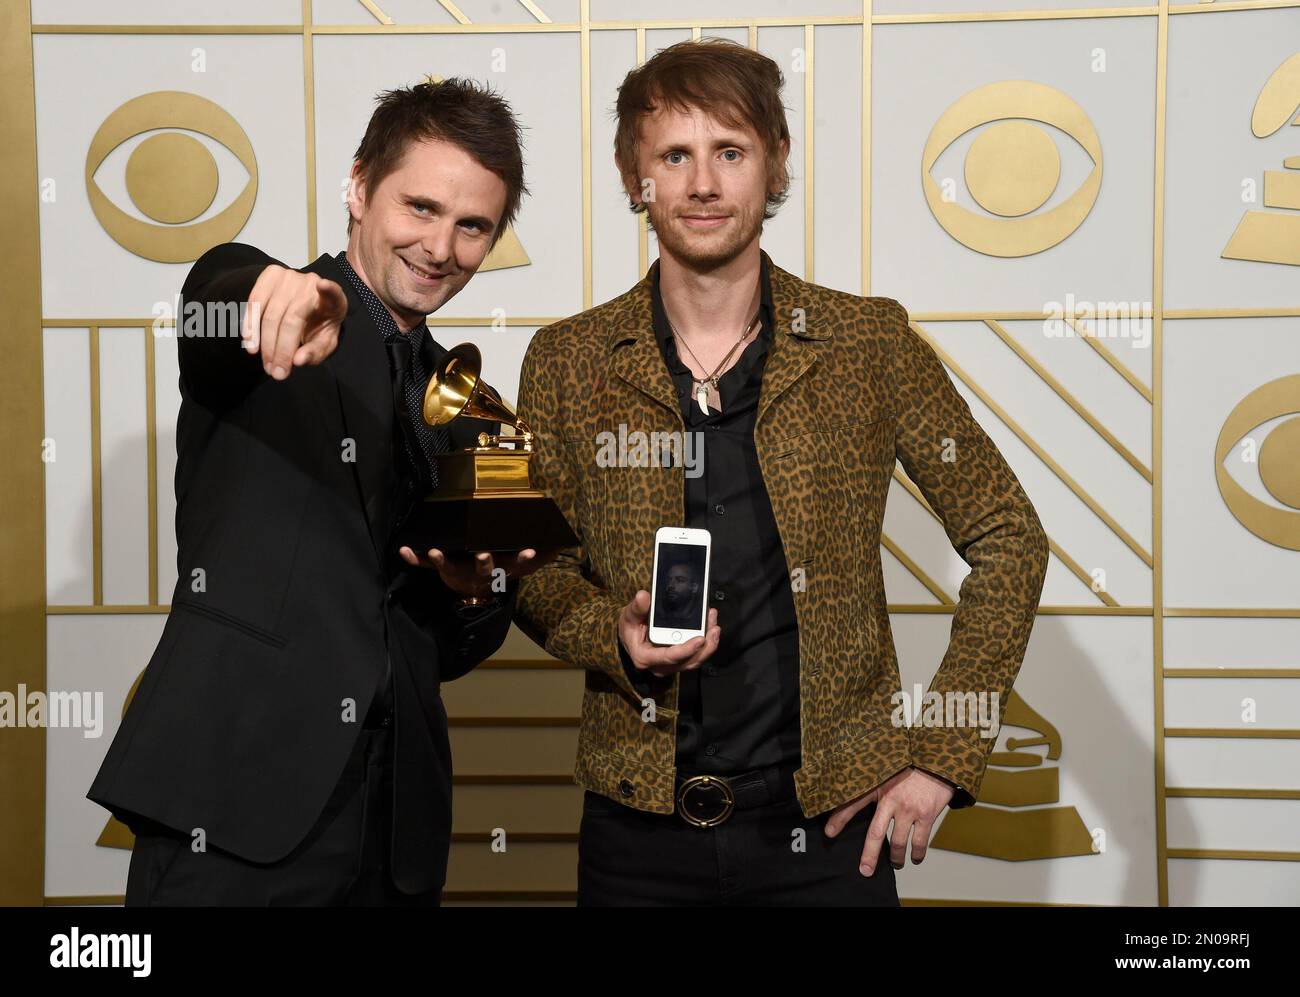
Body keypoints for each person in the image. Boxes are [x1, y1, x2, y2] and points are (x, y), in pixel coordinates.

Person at [512, 39, 1050, 906]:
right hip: (636, 837)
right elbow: (534, 570)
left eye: (730, 151)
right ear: (632, 175)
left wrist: (941, 755)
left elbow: (1008, 536)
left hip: (832, 835)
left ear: (775, 164)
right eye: (673, 156)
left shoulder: (866, 344)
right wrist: (607, 631)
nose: (703, 183)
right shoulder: (568, 362)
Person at [89, 78, 548, 905]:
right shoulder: (278, 309)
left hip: (394, 827)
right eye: (419, 208)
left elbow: (447, 647)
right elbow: (215, 306)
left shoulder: (468, 409)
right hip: (232, 800)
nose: (441, 247)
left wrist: (476, 594)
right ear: (359, 187)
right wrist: (272, 291)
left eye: (472, 225)